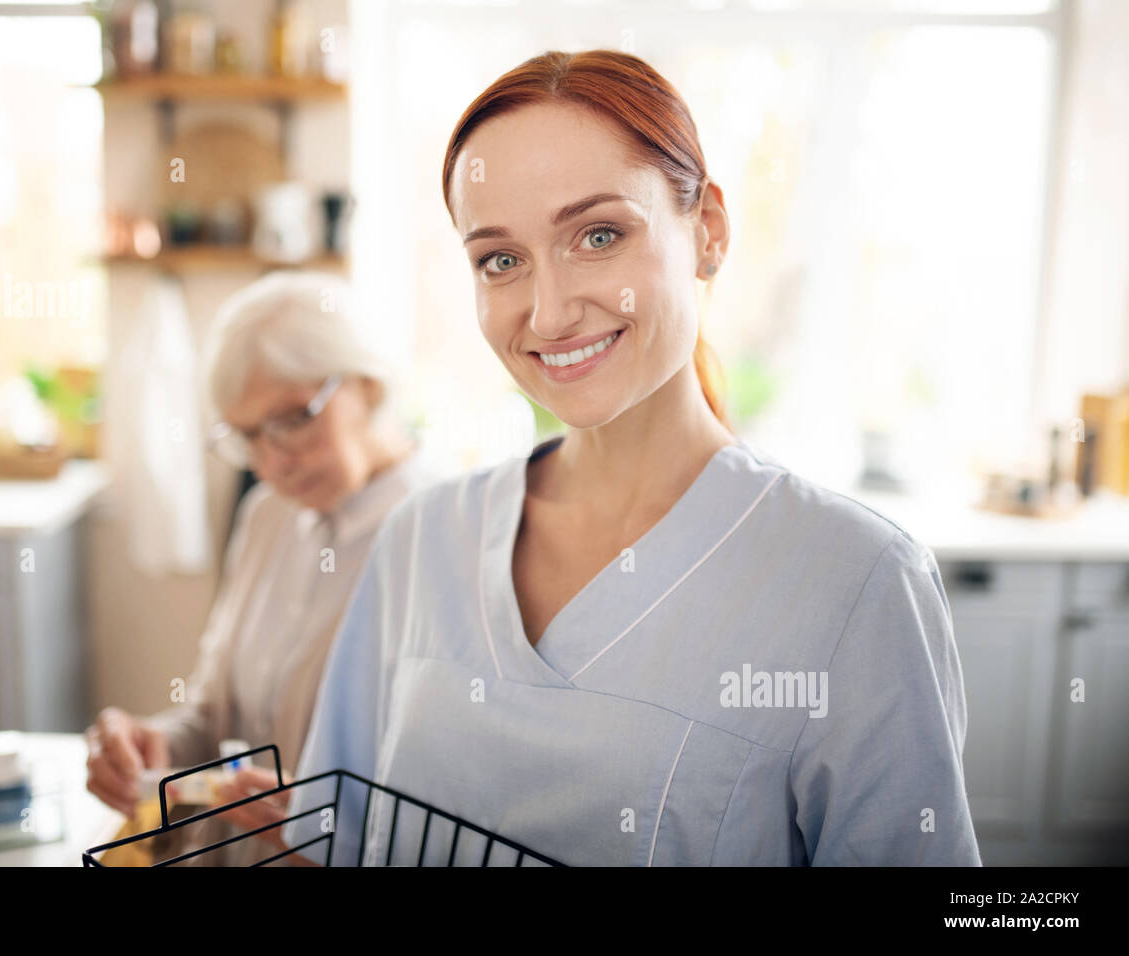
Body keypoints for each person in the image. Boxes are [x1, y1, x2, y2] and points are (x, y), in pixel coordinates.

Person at [265, 50, 981, 866]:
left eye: (598, 235)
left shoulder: (856, 582)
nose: (549, 311)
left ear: (707, 230)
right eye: (500, 259)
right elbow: (329, 845)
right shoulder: (421, 541)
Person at [84, 271, 435, 864]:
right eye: (248, 436)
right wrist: (152, 750)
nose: (272, 462)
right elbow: (216, 714)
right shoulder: (267, 516)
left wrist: (315, 827)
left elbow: (443, 802)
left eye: (294, 419)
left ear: (370, 386)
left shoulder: (441, 536)